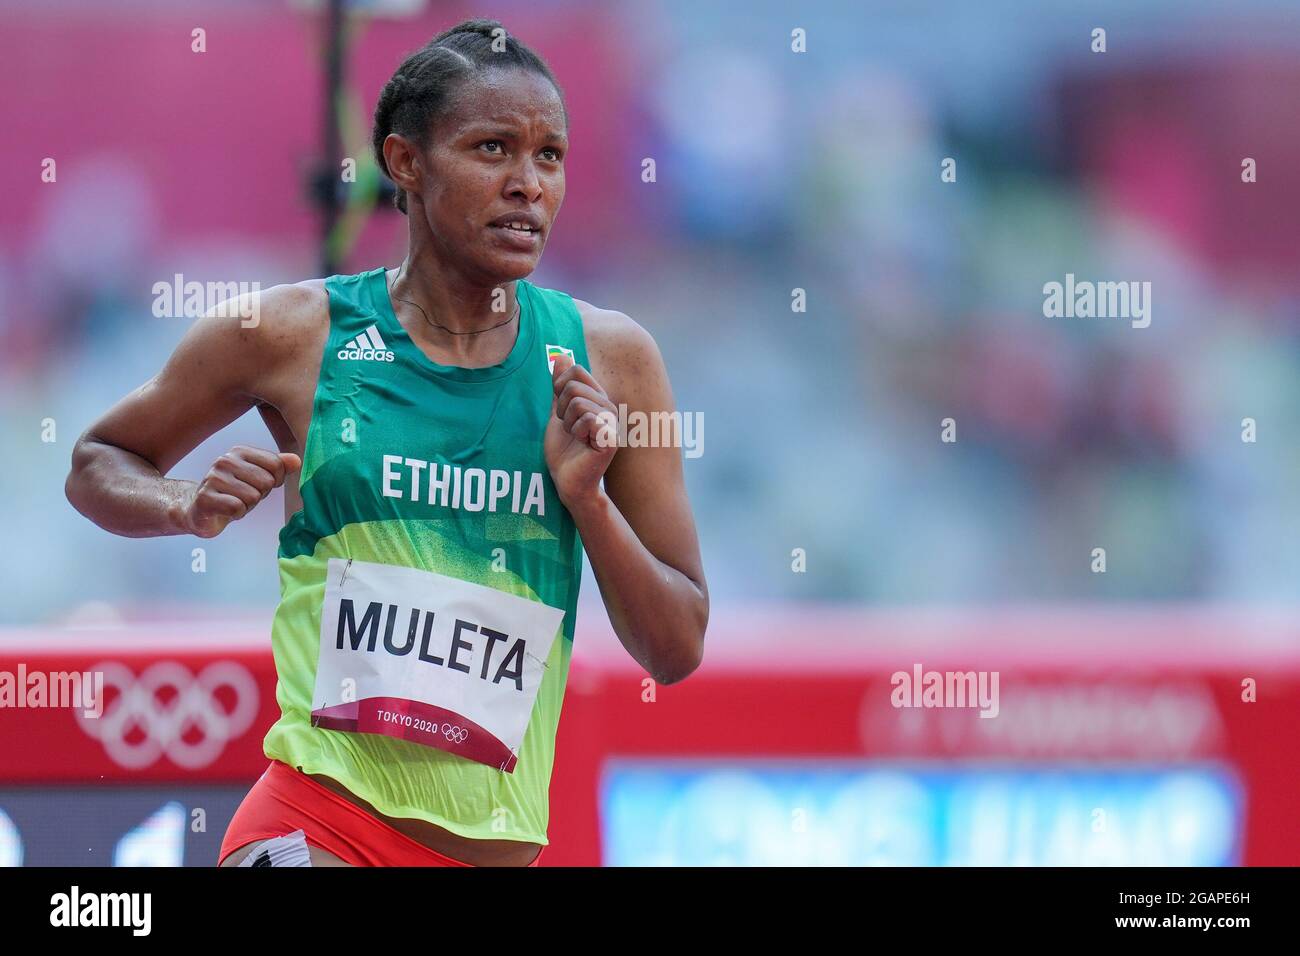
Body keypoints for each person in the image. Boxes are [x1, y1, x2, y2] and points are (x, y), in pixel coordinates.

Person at [64, 18, 708, 867]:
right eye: (491, 149)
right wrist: (182, 504)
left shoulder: (612, 360)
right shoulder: (291, 334)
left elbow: (676, 648)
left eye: (549, 156)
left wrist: (586, 498)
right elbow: (97, 461)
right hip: (317, 827)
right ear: (405, 163)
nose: (528, 184)